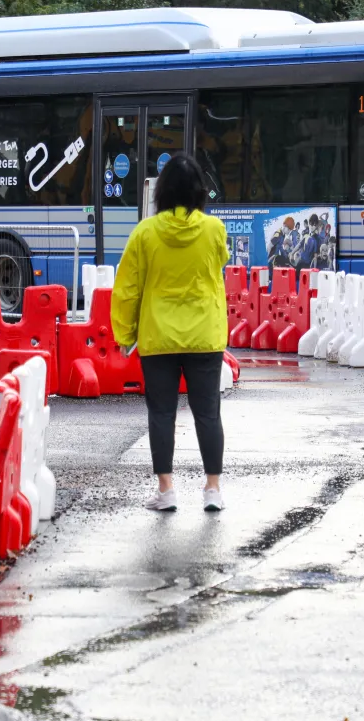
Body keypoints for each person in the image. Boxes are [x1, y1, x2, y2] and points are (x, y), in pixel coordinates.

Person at [112, 155, 231, 512]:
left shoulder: (145, 233)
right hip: (205, 336)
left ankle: (166, 491)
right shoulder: (214, 230)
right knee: (208, 413)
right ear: (199, 191)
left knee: (161, 414)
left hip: (158, 337)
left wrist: (124, 334)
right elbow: (221, 261)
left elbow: (127, 288)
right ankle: (212, 490)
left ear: (161, 191)